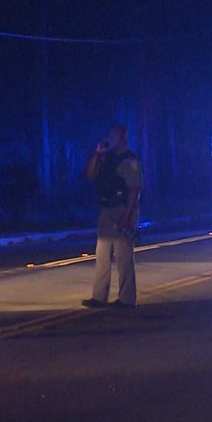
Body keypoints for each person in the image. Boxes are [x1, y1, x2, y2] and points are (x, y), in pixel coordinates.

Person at [82, 125, 143, 309]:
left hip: (123, 209)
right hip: (106, 210)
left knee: (123, 257)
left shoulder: (129, 160)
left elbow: (134, 189)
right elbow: (90, 174)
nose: (109, 138)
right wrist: (97, 154)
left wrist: (126, 216)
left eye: (113, 136)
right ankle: (99, 297)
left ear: (122, 139)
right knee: (102, 256)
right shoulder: (106, 158)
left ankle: (126, 299)